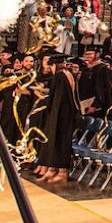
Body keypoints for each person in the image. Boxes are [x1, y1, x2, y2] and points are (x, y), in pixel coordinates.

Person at [35, 55, 81, 184]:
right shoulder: (69, 74)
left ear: (54, 65)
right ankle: (52, 169)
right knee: (58, 142)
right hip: (67, 115)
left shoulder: (60, 76)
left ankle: (62, 172)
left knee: (60, 143)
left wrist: (45, 103)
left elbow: (56, 99)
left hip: (61, 116)